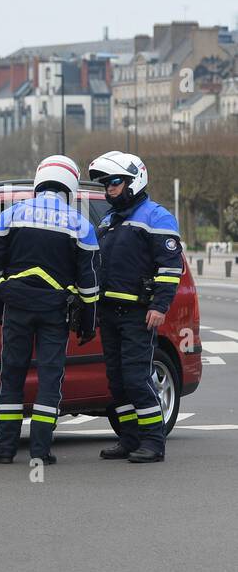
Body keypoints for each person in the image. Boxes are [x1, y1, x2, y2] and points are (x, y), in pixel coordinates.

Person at [0, 156, 100, 465]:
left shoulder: (10, 215)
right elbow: (89, 285)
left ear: (39, 181)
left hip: (16, 308)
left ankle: (4, 450)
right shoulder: (80, 224)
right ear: (70, 185)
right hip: (54, 312)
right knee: (49, 379)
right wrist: (88, 324)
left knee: (11, 376)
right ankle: (40, 451)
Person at [87, 151, 182, 463]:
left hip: (139, 315)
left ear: (134, 180)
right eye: (106, 184)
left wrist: (160, 306)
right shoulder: (109, 220)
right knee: (116, 380)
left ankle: (154, 442)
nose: (108, 190)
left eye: (114, 182)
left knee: (137, 378)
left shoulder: (157, 217)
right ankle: (128, 439)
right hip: (110, 312)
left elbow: (170, 268)